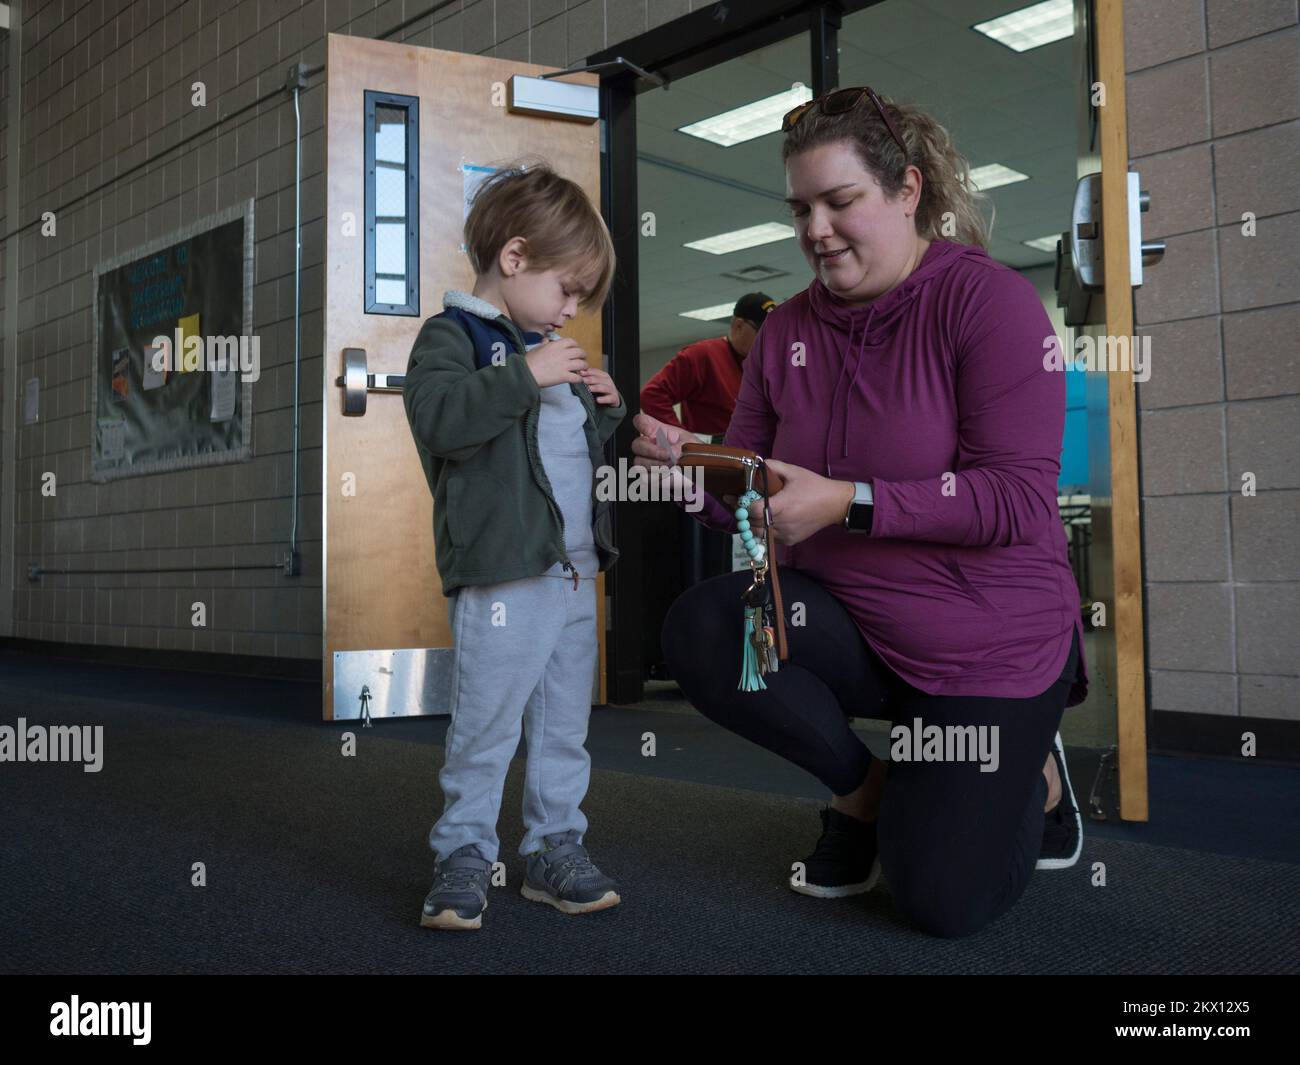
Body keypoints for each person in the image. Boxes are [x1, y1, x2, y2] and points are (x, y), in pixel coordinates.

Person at [631, 87, 1089, 939]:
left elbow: (1016, 498)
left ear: (908, 190)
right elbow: (754, 484)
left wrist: (851, 501)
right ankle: (865, 793)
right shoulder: (784, 333)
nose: (816, 230)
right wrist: (692, 467)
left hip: (981, 641)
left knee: (939, 902)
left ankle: (1038, 773)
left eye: (839, 202)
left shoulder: (988, 303)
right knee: (705, 628)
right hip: (851, 621)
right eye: (800, 209)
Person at [402, 163, 625, 930]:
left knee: (564, 723)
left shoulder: (545, 348)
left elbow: (559, 454)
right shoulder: (453, 335)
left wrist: (602, 411)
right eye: (567, 290)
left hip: (571, 570)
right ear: (515, 257)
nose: (572, 310)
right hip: (502, 574)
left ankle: (554, 846)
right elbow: (441, 421)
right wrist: (526, 374)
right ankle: (464, 852)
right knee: (487, 721)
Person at [639, 292, 776, 439]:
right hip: (715, 448)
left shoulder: (767, 364)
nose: (768, 340)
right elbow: (652, 396)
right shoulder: (703, 355)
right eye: (762, 332)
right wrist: (681, 437)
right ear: (739, 325)